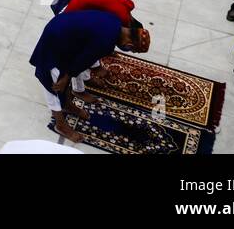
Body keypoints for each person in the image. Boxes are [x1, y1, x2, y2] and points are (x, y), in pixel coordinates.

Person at [31, 11, 150, 142]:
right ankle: (60, 125)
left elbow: (85, 51)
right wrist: (66, 77)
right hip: (55, 40)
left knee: (68, 72)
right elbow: (83, 60)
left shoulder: (115, 22)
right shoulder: (105, 41)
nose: (128, 49)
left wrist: (70, 74)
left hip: (66, 35)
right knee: (54, 86)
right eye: (132, 49)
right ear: (129, 44)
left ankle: (67, 104)